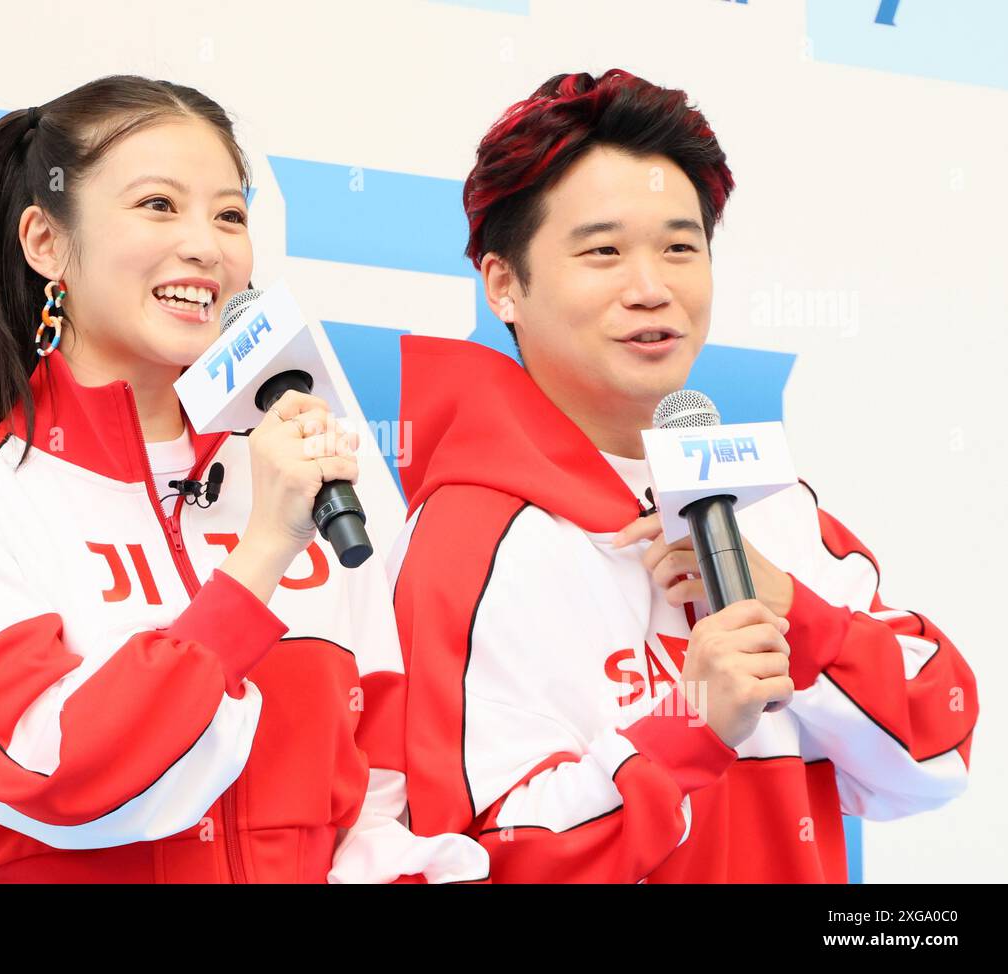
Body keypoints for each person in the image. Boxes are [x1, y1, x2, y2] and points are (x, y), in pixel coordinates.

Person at [0, 74, 486, 884]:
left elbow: (381, 782)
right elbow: (46, 771)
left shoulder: (312, 464)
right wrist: (259, 554)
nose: (206, 245)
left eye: (230, 214)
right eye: (159, 205)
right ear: (46, 242)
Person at [383, 69, 978, 882]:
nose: (652, 288)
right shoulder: (466, 543)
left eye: (679, 247)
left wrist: (802, 620)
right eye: (603, 252)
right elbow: (464, 863)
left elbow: (938, 750)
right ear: (503, 284)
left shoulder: (771, 507)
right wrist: (691, 726)